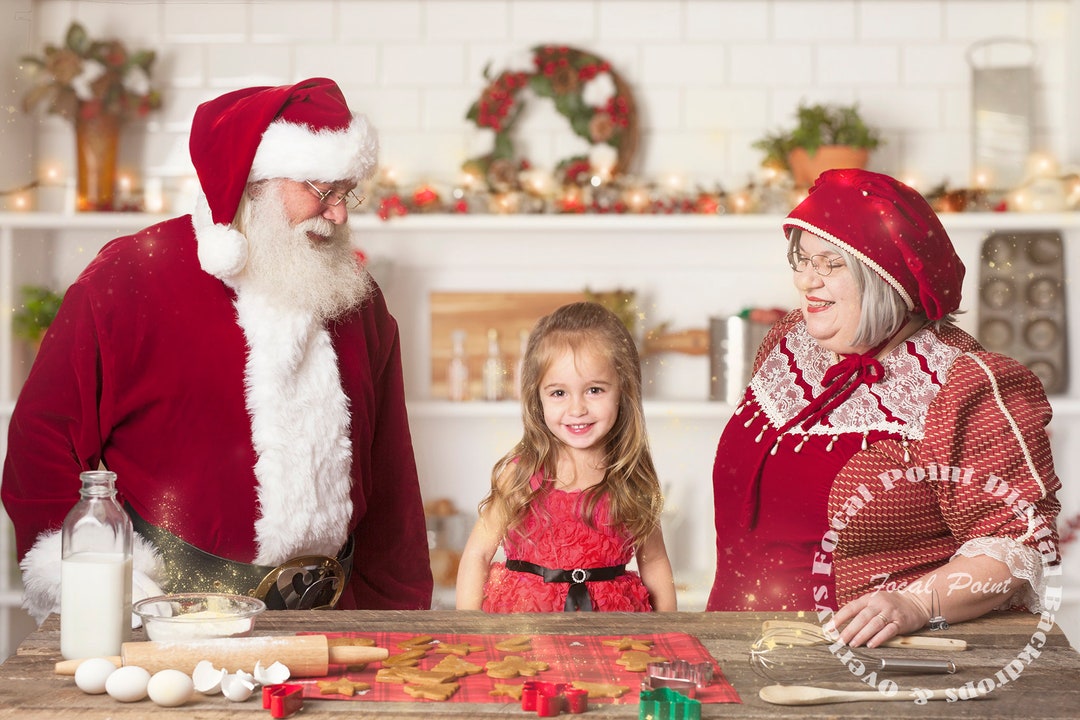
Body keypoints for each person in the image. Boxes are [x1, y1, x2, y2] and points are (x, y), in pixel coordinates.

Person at [2, 78, 433, 620]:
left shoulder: (356, 298)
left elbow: (390, 472)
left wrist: (399, 615)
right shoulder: (130, 278)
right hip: (165, 618)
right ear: (253, 183)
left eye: (347, 193)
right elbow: (41, 443)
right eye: (321, 191)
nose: (340, 214)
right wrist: (106, 598)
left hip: (335, 621)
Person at [707, 169, 1061, 647]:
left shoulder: (963, 383)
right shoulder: (788, 341)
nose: (805, 280)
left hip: (867, 661)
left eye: (831, 264)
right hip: (729, 639)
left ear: (885, 276)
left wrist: (917, 603)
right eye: (802, 259)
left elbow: (1015, 548)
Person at [456, 302, 677, 612]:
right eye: (559, 393)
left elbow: (653, 560)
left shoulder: (629, 476)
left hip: (615, 637)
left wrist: (669, 635)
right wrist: (469, 629)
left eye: (594, 390)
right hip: (524, 635)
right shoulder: (522, 473)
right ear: (539, 397)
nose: (577, 409)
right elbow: (478, 554)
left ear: (622, 390)